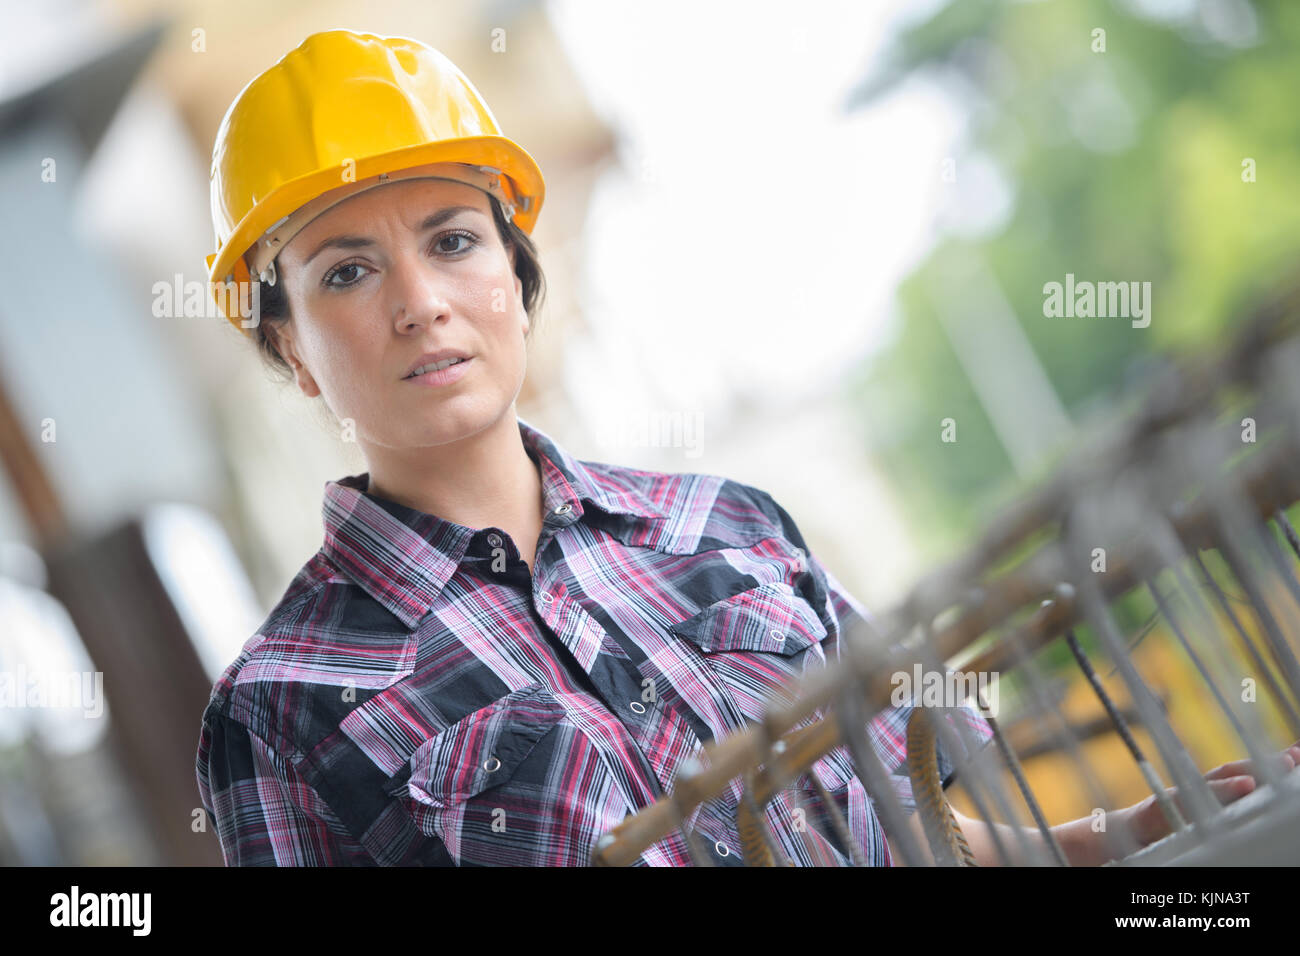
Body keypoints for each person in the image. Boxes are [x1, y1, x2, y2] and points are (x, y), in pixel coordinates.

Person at [194, 29, 1299, 867]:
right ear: (287, 346)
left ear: (518, 277)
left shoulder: (730, 526)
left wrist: (1131, 835)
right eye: (345, 270)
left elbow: (936, 833)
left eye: (452, 240)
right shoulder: (278, 710)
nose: (421, 302)